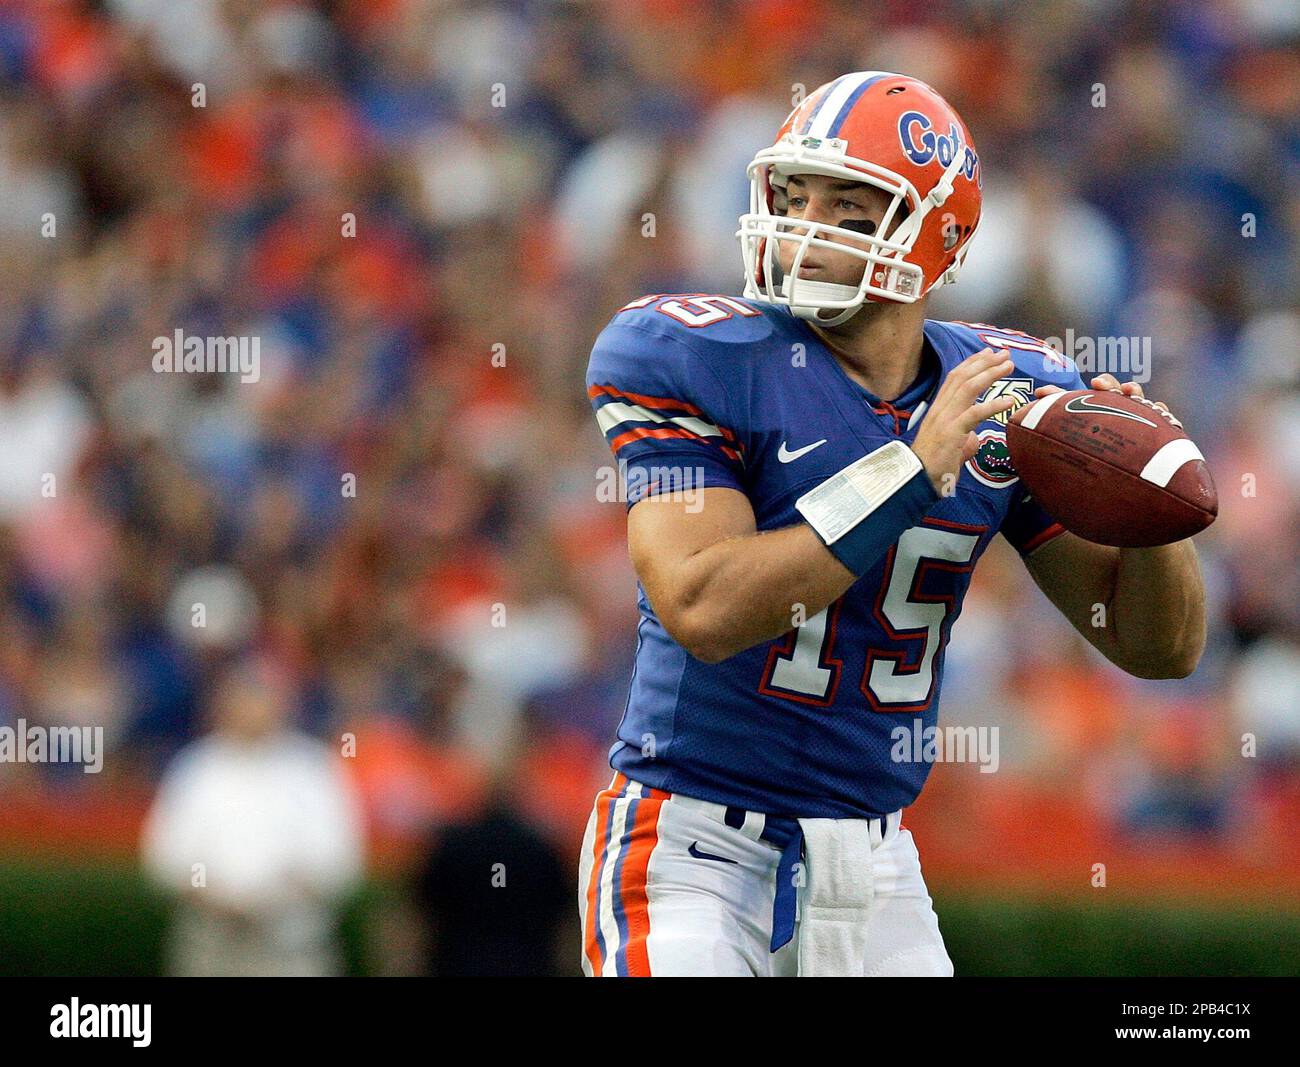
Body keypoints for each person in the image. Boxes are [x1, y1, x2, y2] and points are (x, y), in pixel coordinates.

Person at [578, 71, 1206, 977]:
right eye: (795, 196)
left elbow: (1157, 648)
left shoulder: (1009, 392)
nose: (805, 226)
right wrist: (910, 472)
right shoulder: (690, 355)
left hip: (875, 863)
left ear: (934, 233)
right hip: (692, 843)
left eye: (848, 203)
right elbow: (700, 603)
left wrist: (1152, 504)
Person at [141, 658, 365, 976]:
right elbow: (166, 860)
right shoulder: (196, 767)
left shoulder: (315, 768)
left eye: (263, 696)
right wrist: (221, 900)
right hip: (212, 948)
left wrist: (272, 901)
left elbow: (338, 863)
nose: (253, 706)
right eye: (243, 696)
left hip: (292, 951)